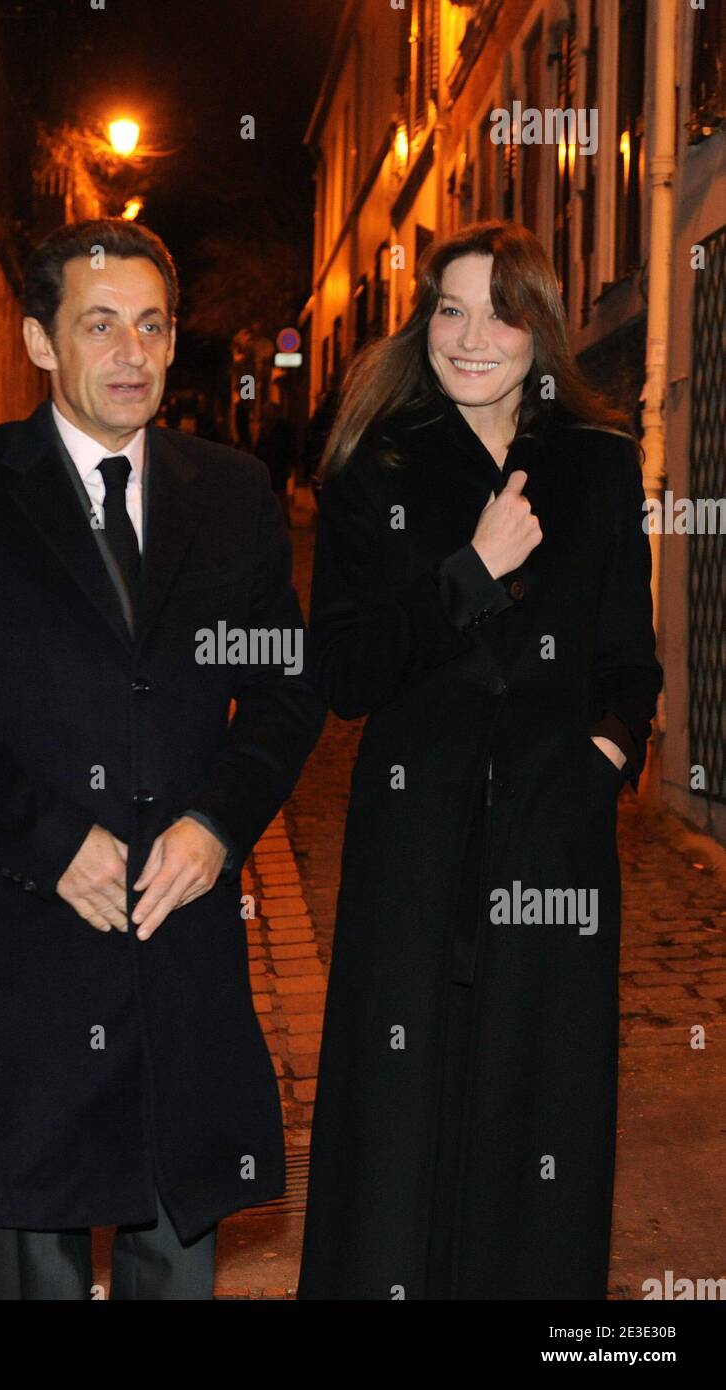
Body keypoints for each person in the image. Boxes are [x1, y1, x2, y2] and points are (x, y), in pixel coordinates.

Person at [0, 217, 325, 1300]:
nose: (131, 354)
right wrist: (51, 841)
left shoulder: (233, 494)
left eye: (152, 327)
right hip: (29, 941)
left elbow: (285, 687)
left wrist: (218, 823)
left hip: (182, 938)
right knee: (36, 1261)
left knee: (179, 1237)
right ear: (37, 340)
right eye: (100, 325)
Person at [296, 219, 662, 1301]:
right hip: (414, 844)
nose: (469, 335)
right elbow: (346, 671)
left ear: (539, 329)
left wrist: (600, 763)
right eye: (448, 308)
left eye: (499, 310)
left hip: (552, 846)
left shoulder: (596, 464)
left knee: (534, 1108)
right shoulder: (377, 461)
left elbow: (628, 664)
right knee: (400, 1119)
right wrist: (469, 570)